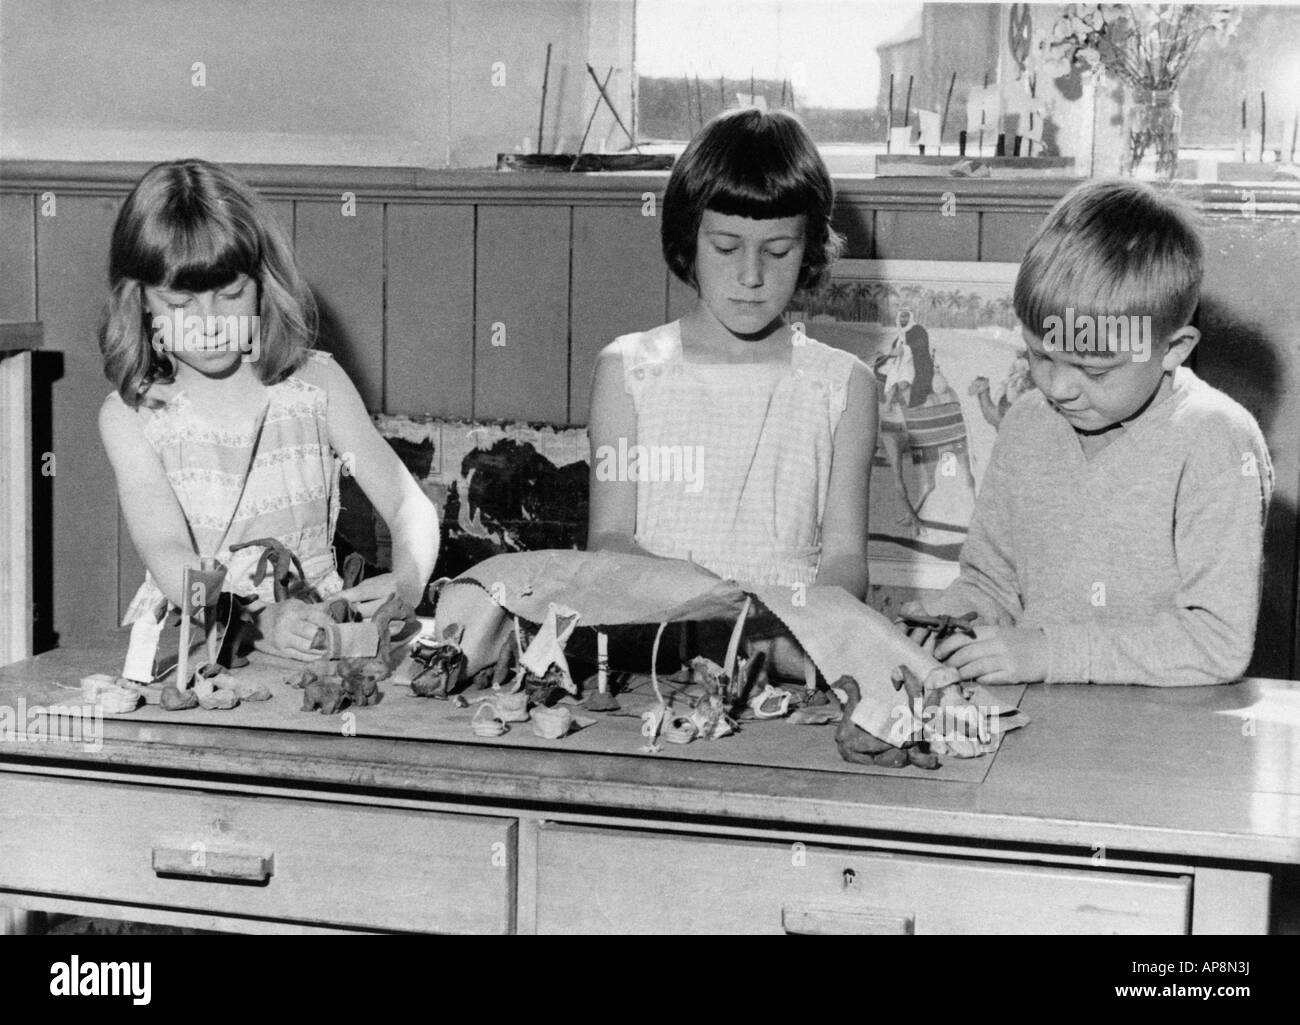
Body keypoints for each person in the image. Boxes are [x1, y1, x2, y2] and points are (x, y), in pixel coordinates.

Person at [905, 178, 1272, 687]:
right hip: (1038, 718)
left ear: (1173, 348)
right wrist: (953, 619)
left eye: (1094, 371)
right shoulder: (1028, 421)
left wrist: (1048, 653)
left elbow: (1217, 642)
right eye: (1039, 354)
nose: (1057, 387)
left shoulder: (1216, 440)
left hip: (1162, 739)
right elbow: (990, 581)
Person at [98, 159, 439, 666]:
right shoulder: (134, 416)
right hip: (200, 634)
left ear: (261, 284)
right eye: (180, 304)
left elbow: (410, 507)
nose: (209, 323)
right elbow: (168, 553)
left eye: (230, 295)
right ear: (142, 301)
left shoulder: (316, 385)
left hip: (315, 629)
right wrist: (253, 620)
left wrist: (409, 578)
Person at [586, 108, 875, 679]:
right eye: (725, 246)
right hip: (658, 657)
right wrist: (712, 617)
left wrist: (789, 636)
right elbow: (609, 540)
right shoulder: (630, 371)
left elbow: (845, 561)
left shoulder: (843, 386)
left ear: (811, 248)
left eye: (777, 251)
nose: (751, 275)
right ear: (686, 240)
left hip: (789, 658)